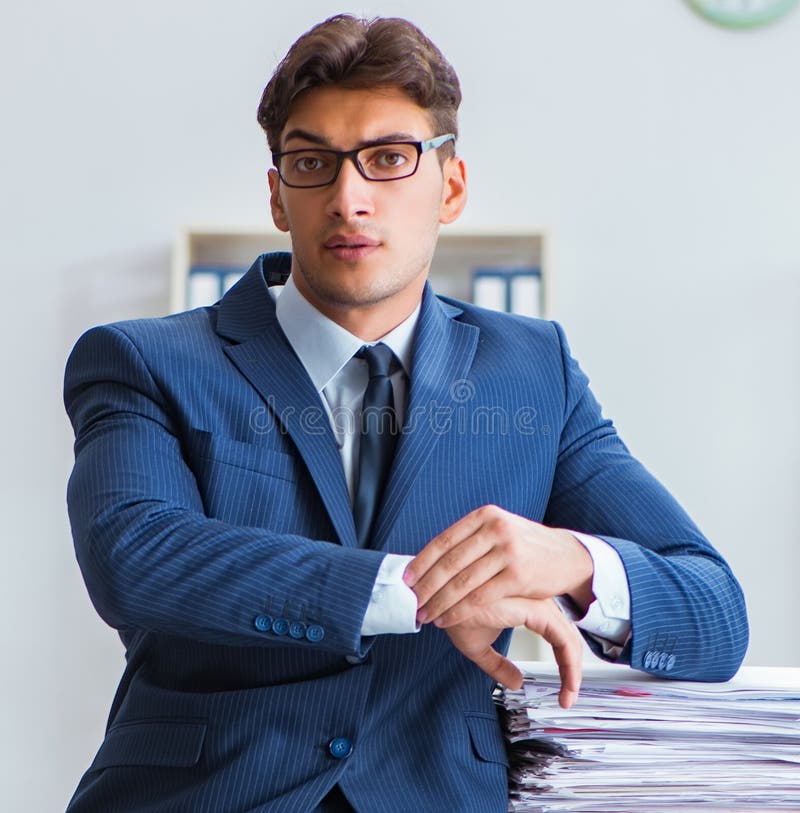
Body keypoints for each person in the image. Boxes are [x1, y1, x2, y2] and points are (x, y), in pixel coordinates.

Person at [63, 13, 748, 813]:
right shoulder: (146, 359)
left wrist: (574, 563)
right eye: (312, 162)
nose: (349, 198)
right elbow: (135, 554)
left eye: (388, 159)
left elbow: (713, 610)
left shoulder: (533, 372)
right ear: (278, 195)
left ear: (449, 186)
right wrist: (424, 590)